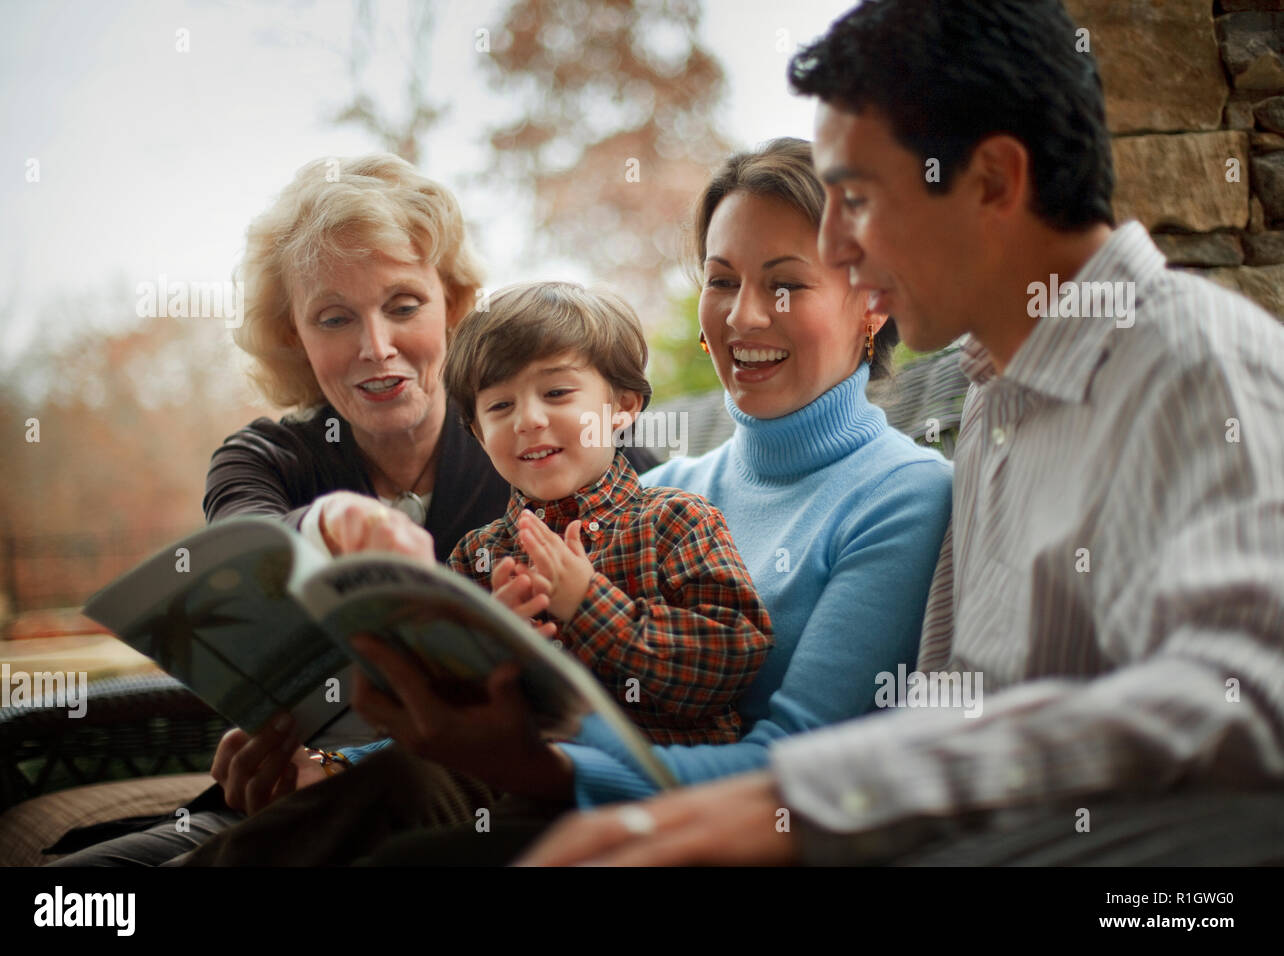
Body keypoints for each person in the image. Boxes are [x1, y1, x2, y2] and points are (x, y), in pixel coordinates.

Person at [517, 0, 1284, 867]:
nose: (840, 248)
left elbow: (1250, 697)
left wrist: (798, 799)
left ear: (993, 180)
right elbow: (943, 715)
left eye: (856, 199)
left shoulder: (1197, 362)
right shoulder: (999, 400)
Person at [223, 136, 950, 866]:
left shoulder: (900, 495)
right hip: (530, 796)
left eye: (785, 283)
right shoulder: (661, 491)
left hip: (703, 837)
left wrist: (541, 752)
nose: (744, 316)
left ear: (873, 303)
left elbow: (788, 770)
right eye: (722, 281)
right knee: (373, 802)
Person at [48, 154, 659, 865]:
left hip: (478, 804)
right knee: (83, 885)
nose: (377, 347)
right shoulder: (266, 458)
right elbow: (252, 540)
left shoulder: (549, 447)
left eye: (403, 306)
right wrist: (325, 525)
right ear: (294, 339)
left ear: (453, 308)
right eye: (334, 318)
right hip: (291, 799)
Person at [440, 280, 773, 750]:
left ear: (623, 407)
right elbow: (443, 710)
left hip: (656, 788)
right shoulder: (475, 557)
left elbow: (730, 661)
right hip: (511, 784)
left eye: (556, 392)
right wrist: (488, 652)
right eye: (500, 405)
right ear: (477, 432)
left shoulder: (676, 521)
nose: (528, 420)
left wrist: (589, 605)